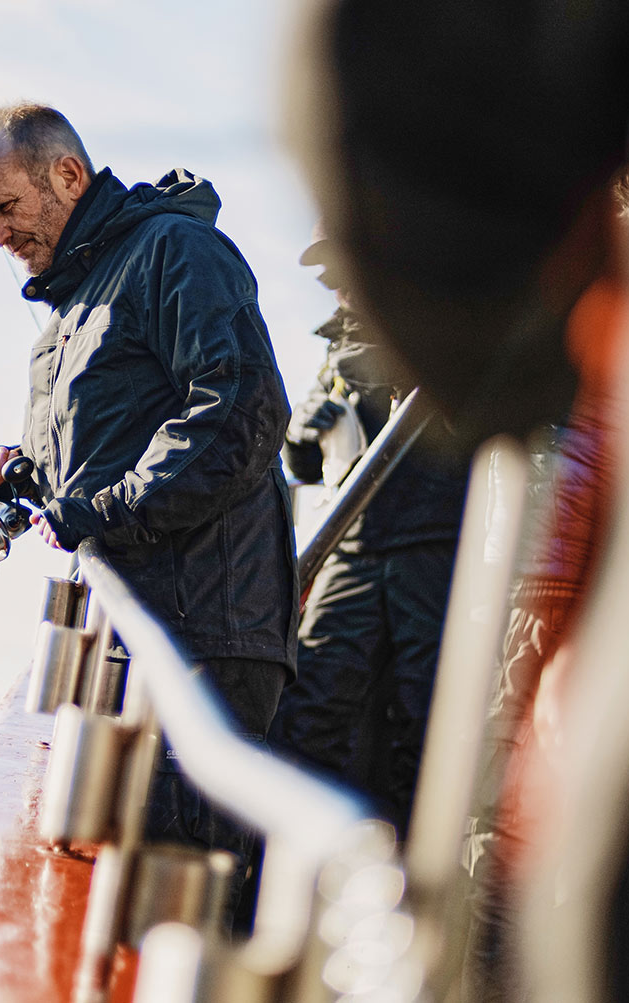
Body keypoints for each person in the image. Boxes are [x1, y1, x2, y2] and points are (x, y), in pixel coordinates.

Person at [0, 102, 297, 893]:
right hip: (137, 634)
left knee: (167, 907)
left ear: (67, 175)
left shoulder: (176, 250)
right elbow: (108, 454)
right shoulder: (76, 301)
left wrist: (96, 511)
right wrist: (27, 471)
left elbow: (241, 409)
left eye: (4, 209)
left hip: (204, 642)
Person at [268, 226, 469, 838]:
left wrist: (399, 355)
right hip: (349, 549)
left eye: (337, 265)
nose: (329, 280)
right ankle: (287, 860)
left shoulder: (439, 322)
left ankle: (413, 875)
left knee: (425, 716)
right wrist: (302, 432)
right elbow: (302, 467)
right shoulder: (337, 353)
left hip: (431, 549)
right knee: (310, 706)